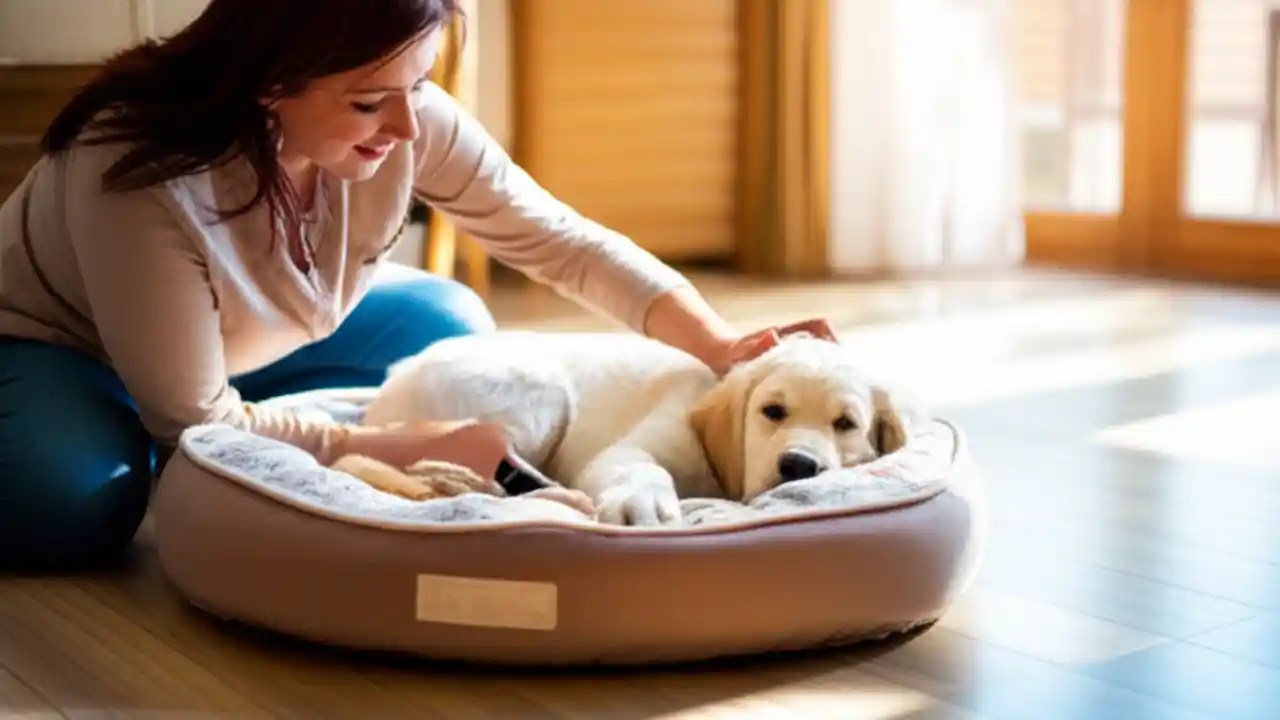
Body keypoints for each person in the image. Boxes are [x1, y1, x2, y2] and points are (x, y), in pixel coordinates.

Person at [0, 0, 835, 570]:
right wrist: (397, 446)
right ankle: (144, 448)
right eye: (369, 103)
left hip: (225, 344)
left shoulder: (403, 118)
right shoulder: (135, 170)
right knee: (74, 504)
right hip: (60, 347)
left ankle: (223, 439)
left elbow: (560, 241)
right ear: (269, 83)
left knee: (449, 322)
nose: (405, 128)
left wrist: (723, 343)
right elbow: (196, 417)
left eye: (420, 87)